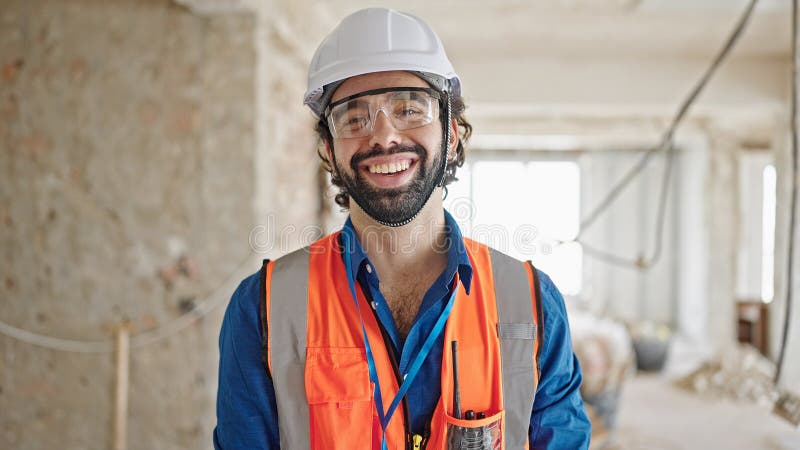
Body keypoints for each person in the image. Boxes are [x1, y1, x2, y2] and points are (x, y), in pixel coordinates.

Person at [214, 7, 590, 450]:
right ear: (328, 151)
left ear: (451, 134)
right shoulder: (263, 309)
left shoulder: (531, 303)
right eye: (353, 118)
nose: (384, 135)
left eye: (410, 108)